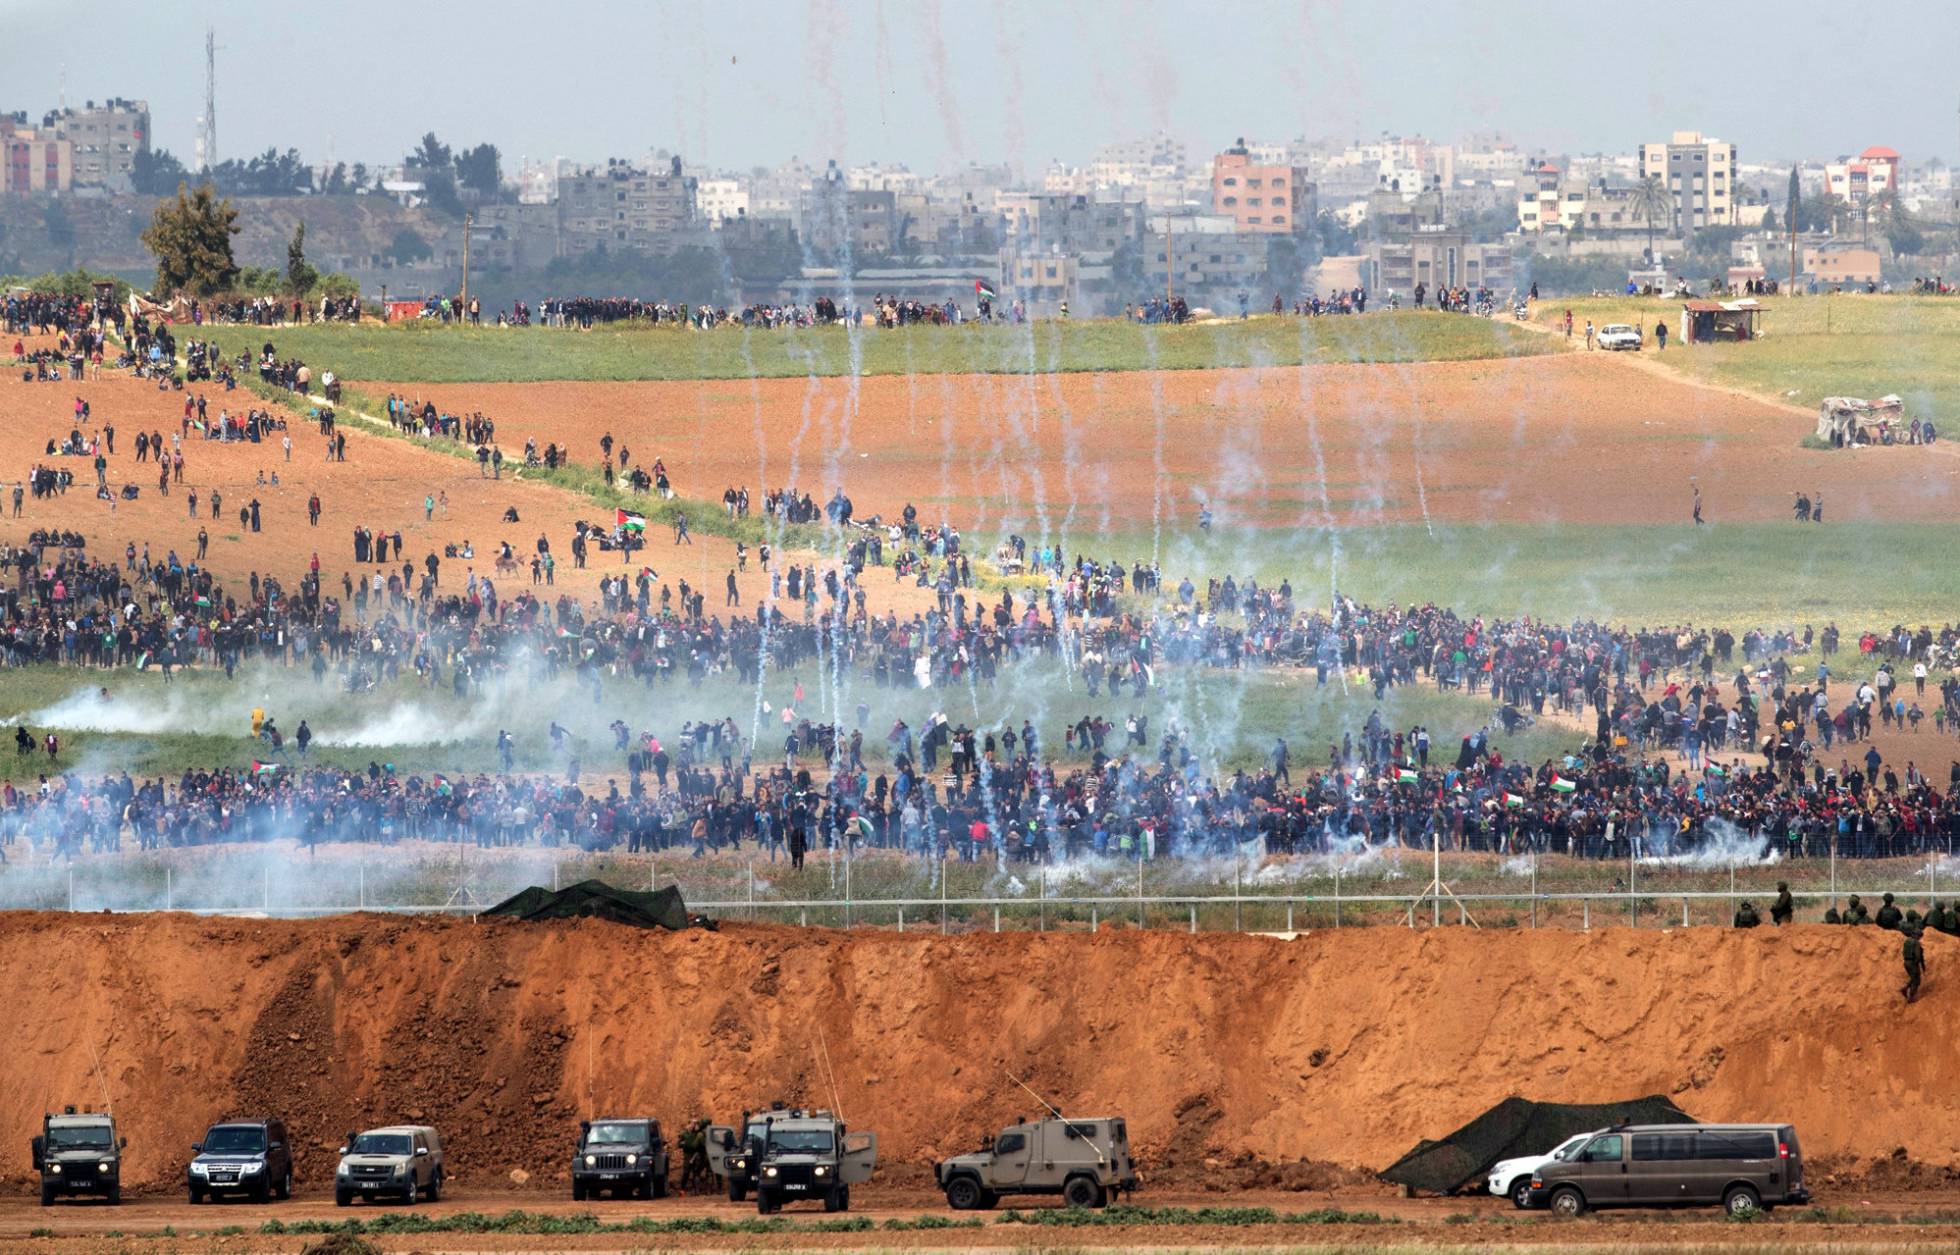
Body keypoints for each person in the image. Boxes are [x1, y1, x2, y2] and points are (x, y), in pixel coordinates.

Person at [1902, 926, 1927, 1004]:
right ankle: (1911, 997)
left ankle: (1905, 988)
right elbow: (1918, 955)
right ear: (1917, 935)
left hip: (1906, 962)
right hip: (1913, 963)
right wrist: (1918, 963)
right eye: (1919, 936)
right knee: (1916, 980)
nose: (1920, 938)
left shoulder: (1907, 941)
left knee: (1913, 977)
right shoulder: (1916, 942)